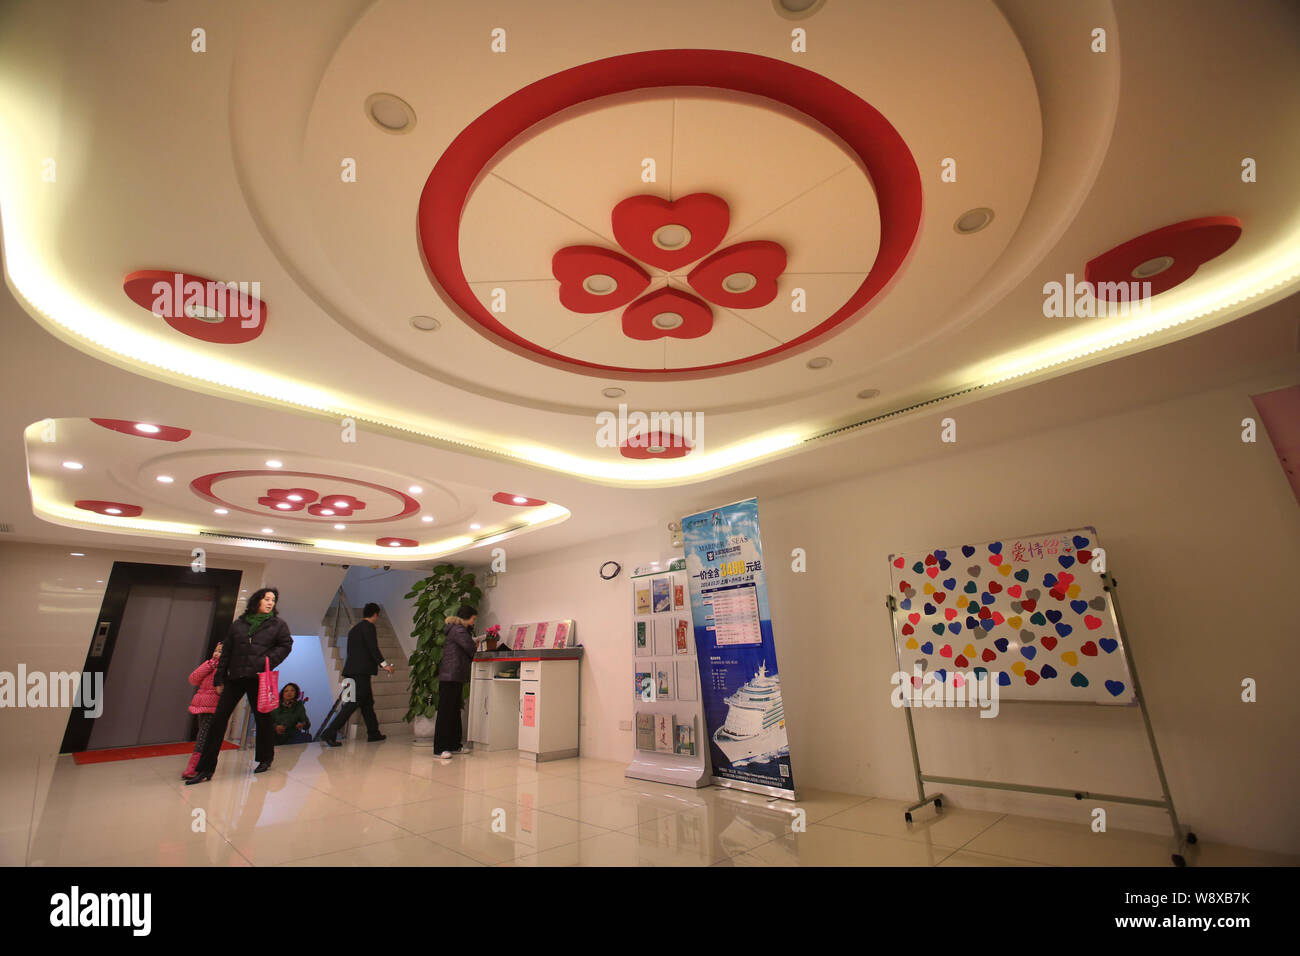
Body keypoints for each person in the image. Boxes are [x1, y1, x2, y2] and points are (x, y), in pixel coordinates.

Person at [186, 587, 293, 785]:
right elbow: (226, 652)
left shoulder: (278, 625)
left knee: (262, 719)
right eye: (267, 599)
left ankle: (265, 758)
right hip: (235, 677)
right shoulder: (239, 624)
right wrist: (219, 679)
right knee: (218, 721)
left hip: (258, 677)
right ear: (257, 601)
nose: (270, 603)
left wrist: (267, 660)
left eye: (273, 600)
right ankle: (205, 769)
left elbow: (286, 645)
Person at [320, 603, 394, 746]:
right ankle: (329, 732)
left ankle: (374, 733)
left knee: (367, 703)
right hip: (361, 673)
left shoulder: (354, 629)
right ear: (375, 614)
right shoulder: (369, 627)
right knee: (353, 703)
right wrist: (385, 665)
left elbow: (351, 651)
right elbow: (373, 648)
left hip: (351, 671)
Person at [435, 603, 477, 759]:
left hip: (455, 675)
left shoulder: (457, 629)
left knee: (453, 711)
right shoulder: (458, 630)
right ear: (466, 618)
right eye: (473, 619)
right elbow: (470, 647)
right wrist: (475, 642)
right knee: (447, 712)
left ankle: (454, 745)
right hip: (450, 676)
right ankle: (440, 748)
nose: (474, 622)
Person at [182, 642, 222, 779]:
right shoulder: (209, 665)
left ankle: (194, 766)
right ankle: (198, 765)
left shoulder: (225, 669)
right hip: (201, 705)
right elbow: (193, 678)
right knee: (202, 735)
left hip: (213, 707)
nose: (217, 654)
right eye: (216, 650)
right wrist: (209, 665)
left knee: (203, 737)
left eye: (221, 652)